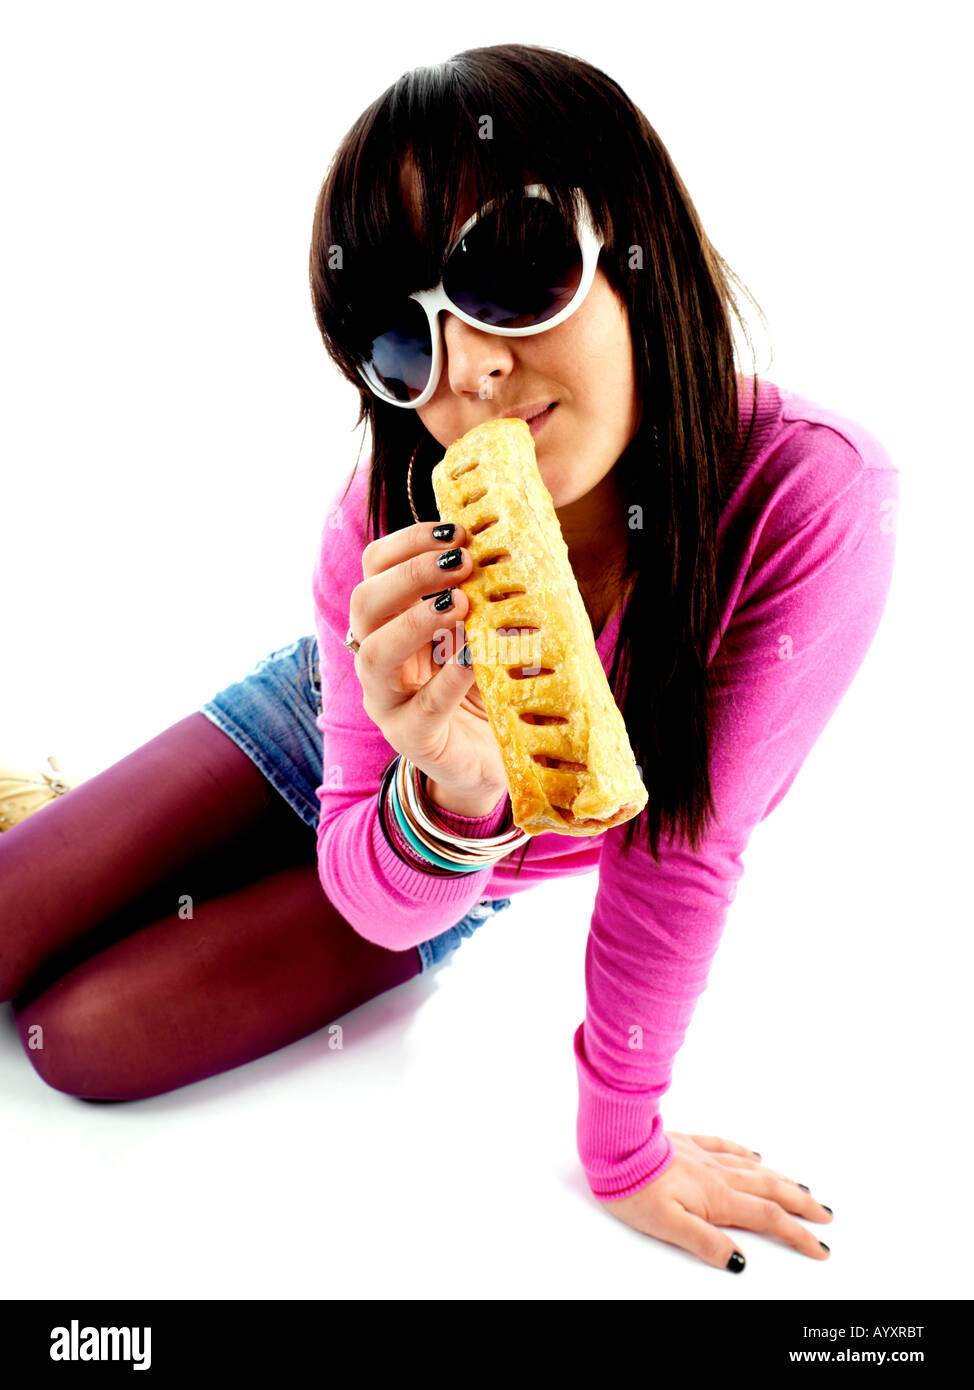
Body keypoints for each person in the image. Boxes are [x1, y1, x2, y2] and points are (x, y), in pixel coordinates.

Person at [0, 43, 898, 1275]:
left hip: (460, 858)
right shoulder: (380, 515)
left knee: (71, 1041)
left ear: (638, 234)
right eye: (402, 342)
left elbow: (678, 845)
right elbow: (358, 843)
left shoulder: (808, 501)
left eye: (513, 270)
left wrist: (618, 1138)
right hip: (312, 718)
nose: (467, 370)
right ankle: (84, 836)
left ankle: (111, 855)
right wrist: (405, 768)